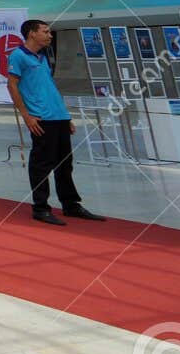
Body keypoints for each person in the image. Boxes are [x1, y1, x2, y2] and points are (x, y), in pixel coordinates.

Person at [7, 20, 106, 226]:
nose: (50, 35)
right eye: (45, 32)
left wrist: (66, 115)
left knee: (64, 165)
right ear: (32, 34)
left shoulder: (43, 57)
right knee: (41, 165)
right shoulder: (18, 56)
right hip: (42, 119)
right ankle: (41, 208)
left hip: (58, 117)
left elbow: (49, 87)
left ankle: (70, 205)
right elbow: (12, 86)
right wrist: (26, 115)